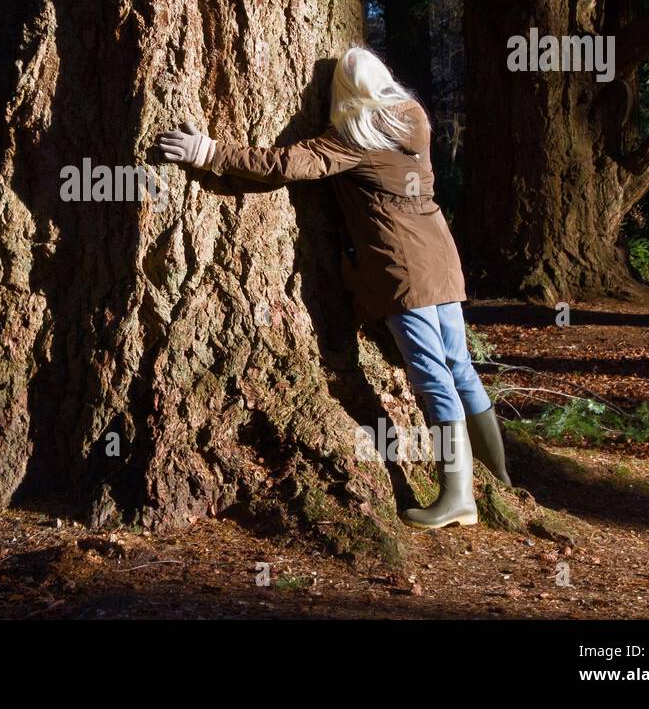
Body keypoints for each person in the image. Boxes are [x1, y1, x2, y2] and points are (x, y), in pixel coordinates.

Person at [154, 45, 511, 529]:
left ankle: (460, 496)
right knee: (460, 368)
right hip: (441, 256)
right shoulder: (412, 118)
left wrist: (209, 152)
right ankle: (500, 481)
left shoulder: (358, 137)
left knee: (432, 377)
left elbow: (284, 164)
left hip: (400, 265)